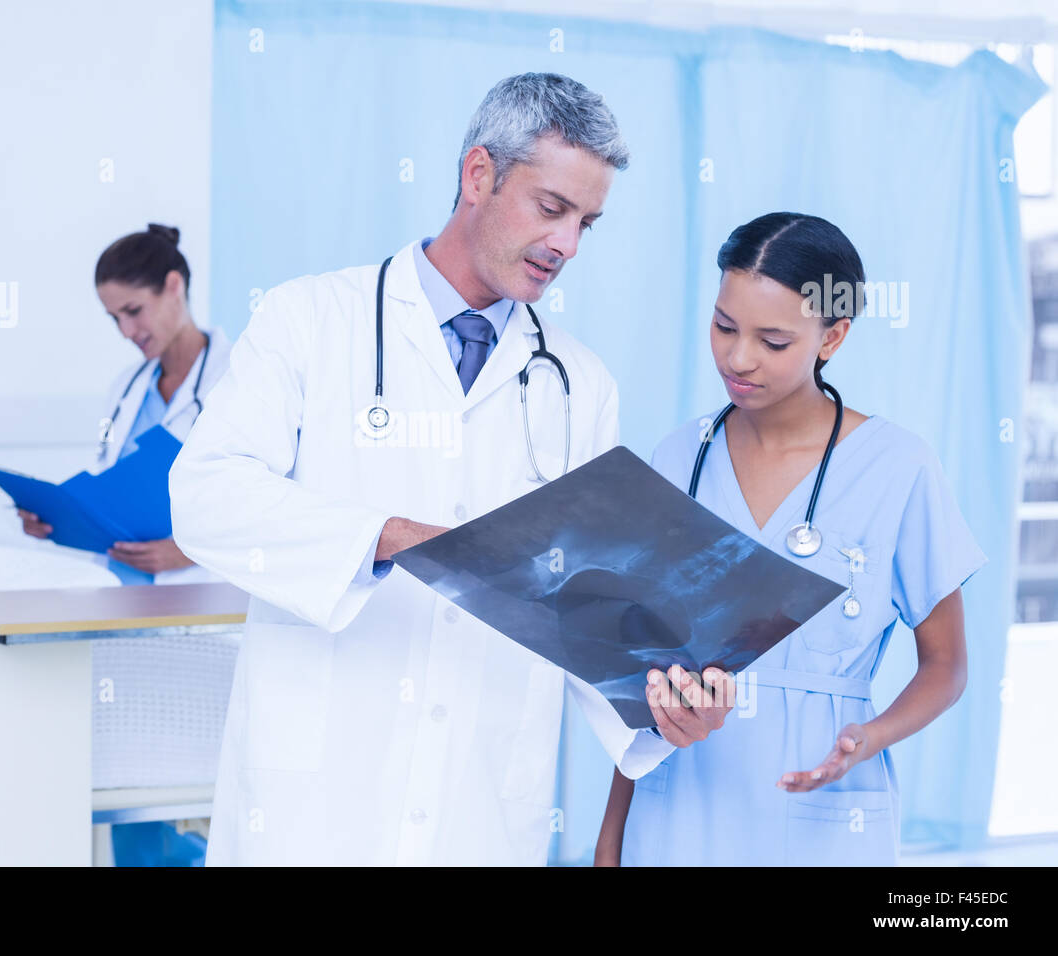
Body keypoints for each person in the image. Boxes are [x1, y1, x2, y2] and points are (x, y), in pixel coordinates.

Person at [169, 72, 733, 866]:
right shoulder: (310, 320)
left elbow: (584, 601)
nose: (567, 245)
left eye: (587, 223)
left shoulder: (581, 385)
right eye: (551, 208)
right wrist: (389, 536)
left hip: (481, 805)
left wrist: (661, 704)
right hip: (314, 804)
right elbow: (206, 497)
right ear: (478, 176)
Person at [594, 212, 985, 867]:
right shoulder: (677, 458)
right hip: (675, 807)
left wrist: (870, 736)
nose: (737, 358)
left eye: (773, 341)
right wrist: (608, 848)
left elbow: (947, 665)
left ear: (832, 335)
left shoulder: (898, 467)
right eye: (723, 326)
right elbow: (644, 687)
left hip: (822, 808)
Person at [18, 223, 232, 584]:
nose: (126, 332)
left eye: (134, 311)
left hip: (206, 589)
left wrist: (190, 551)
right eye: (115, 318)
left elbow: (273, 497)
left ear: (174, 286)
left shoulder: (240, 377)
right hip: (121, 584)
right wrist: (56, 520)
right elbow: (109, 491)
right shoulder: (126, 388)